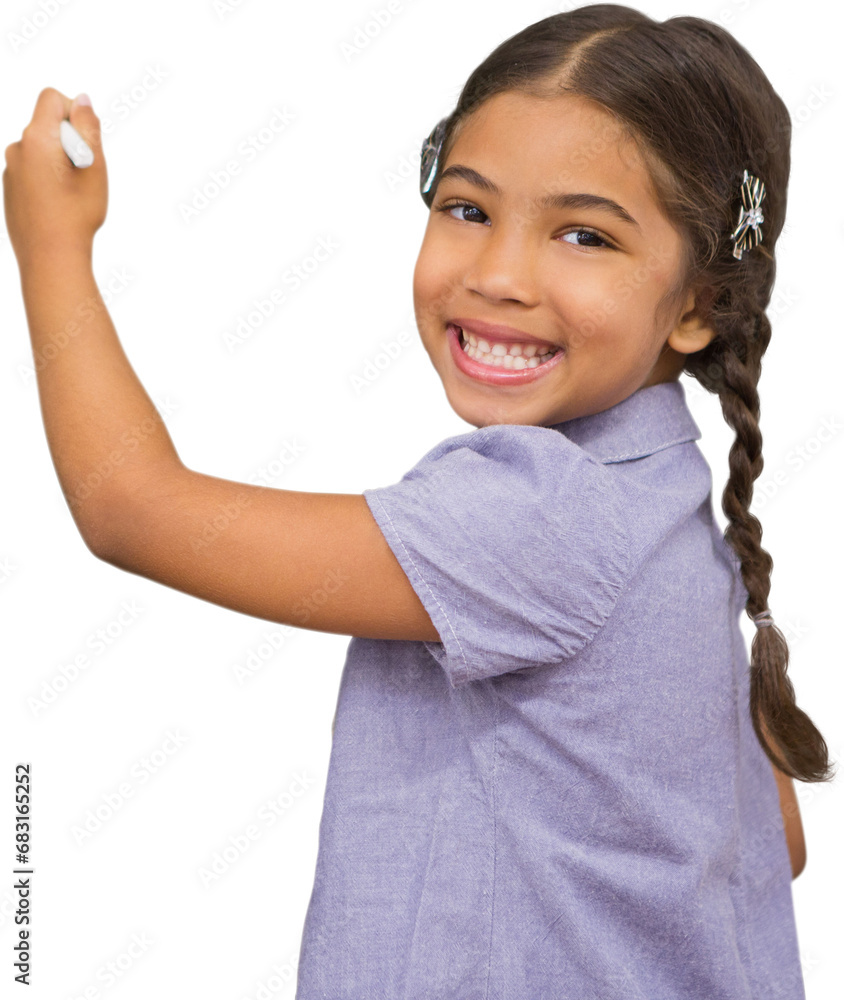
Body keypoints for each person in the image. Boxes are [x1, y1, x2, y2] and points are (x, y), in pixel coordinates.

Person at [3, 4, 834, 997]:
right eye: (468, 208)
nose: (496, 274)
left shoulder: (541, 514)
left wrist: (53, 249)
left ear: (698, 303)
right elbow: (768, 839)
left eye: (583, 235)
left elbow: (130, 509)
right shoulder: (665, 499)